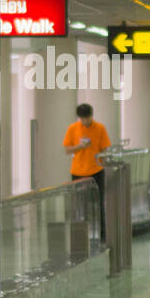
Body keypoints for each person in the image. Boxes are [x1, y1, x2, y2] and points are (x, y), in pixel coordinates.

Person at [63, 103, 112, 242]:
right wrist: (80, 146)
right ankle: (81, 234)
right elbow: (67, 150)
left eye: (87, 118)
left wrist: (104, 161)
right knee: (79, 204)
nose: (85, 121)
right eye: (82, 118)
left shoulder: (100, 128)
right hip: (78, 171)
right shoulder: (73, 128)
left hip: (96, 171)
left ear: (92, 115)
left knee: (98, 202)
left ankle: (102, 234)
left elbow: (104, 149)